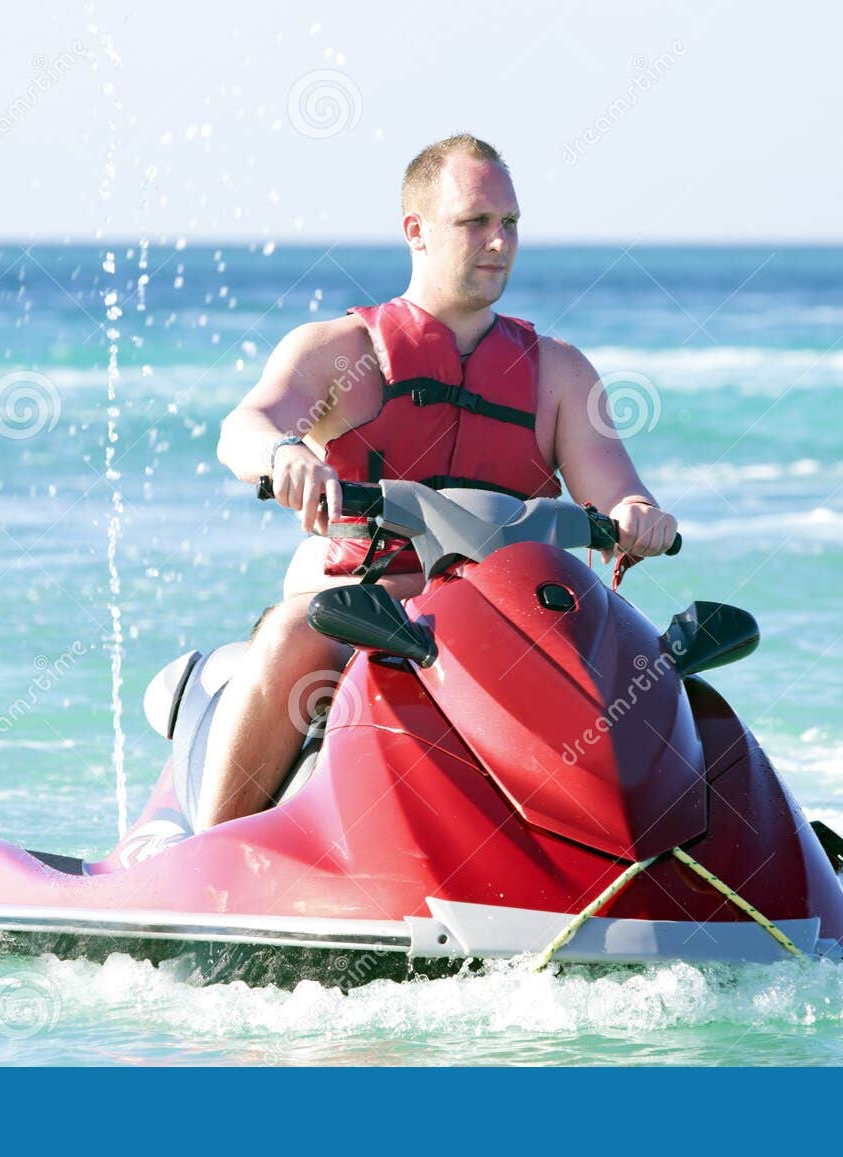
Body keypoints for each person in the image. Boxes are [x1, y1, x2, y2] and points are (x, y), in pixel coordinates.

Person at [208, 133, 677, 824]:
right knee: (289, 631)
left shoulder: (559, 373)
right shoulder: (342, 353)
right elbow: (242, 426)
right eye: (476, 222)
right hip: (370, 614)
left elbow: (619, 492)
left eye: (510, 223)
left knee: (647, 667)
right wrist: (283, 455)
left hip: (515, 631)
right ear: (417, 231)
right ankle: (212, 849)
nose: (499, 241)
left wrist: (640, 516)